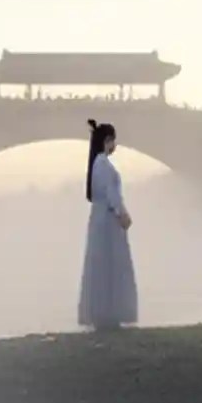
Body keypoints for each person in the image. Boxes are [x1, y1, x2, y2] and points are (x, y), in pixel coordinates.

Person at [78, 119, 138, 330]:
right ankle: (109, 312)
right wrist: (123, 213)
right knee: (111, 264)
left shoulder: (96, 164)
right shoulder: (103, 164)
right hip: (108, 220)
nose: (115, 145)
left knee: (102, 264)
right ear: (107, 140)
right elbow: (111, 194)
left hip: (100, 218)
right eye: (113, 140)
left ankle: (103, 312)